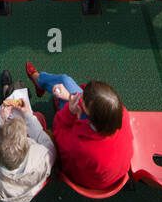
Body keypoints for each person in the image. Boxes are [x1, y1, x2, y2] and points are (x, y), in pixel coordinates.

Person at [25, 63, 130, 192]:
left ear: (89, 116)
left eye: (83, 102)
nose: (80, 98)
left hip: (83, 177)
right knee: (65, 81)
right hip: (113, 172)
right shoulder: (121, 113)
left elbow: (59, 130)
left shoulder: (81, 145)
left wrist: (69, 111)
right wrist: (70, 97)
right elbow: (89, 101)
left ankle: (40, 81)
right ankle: (40, 81)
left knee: (47, 135)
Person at [0, 69, 56, 202]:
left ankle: (6, 91)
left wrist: (0, 120)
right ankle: (8, 91)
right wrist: (27, 116)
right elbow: (49, 146)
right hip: (27, 193)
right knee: (22, 94)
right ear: (28, 144)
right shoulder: (42, 157)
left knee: (9, 96)